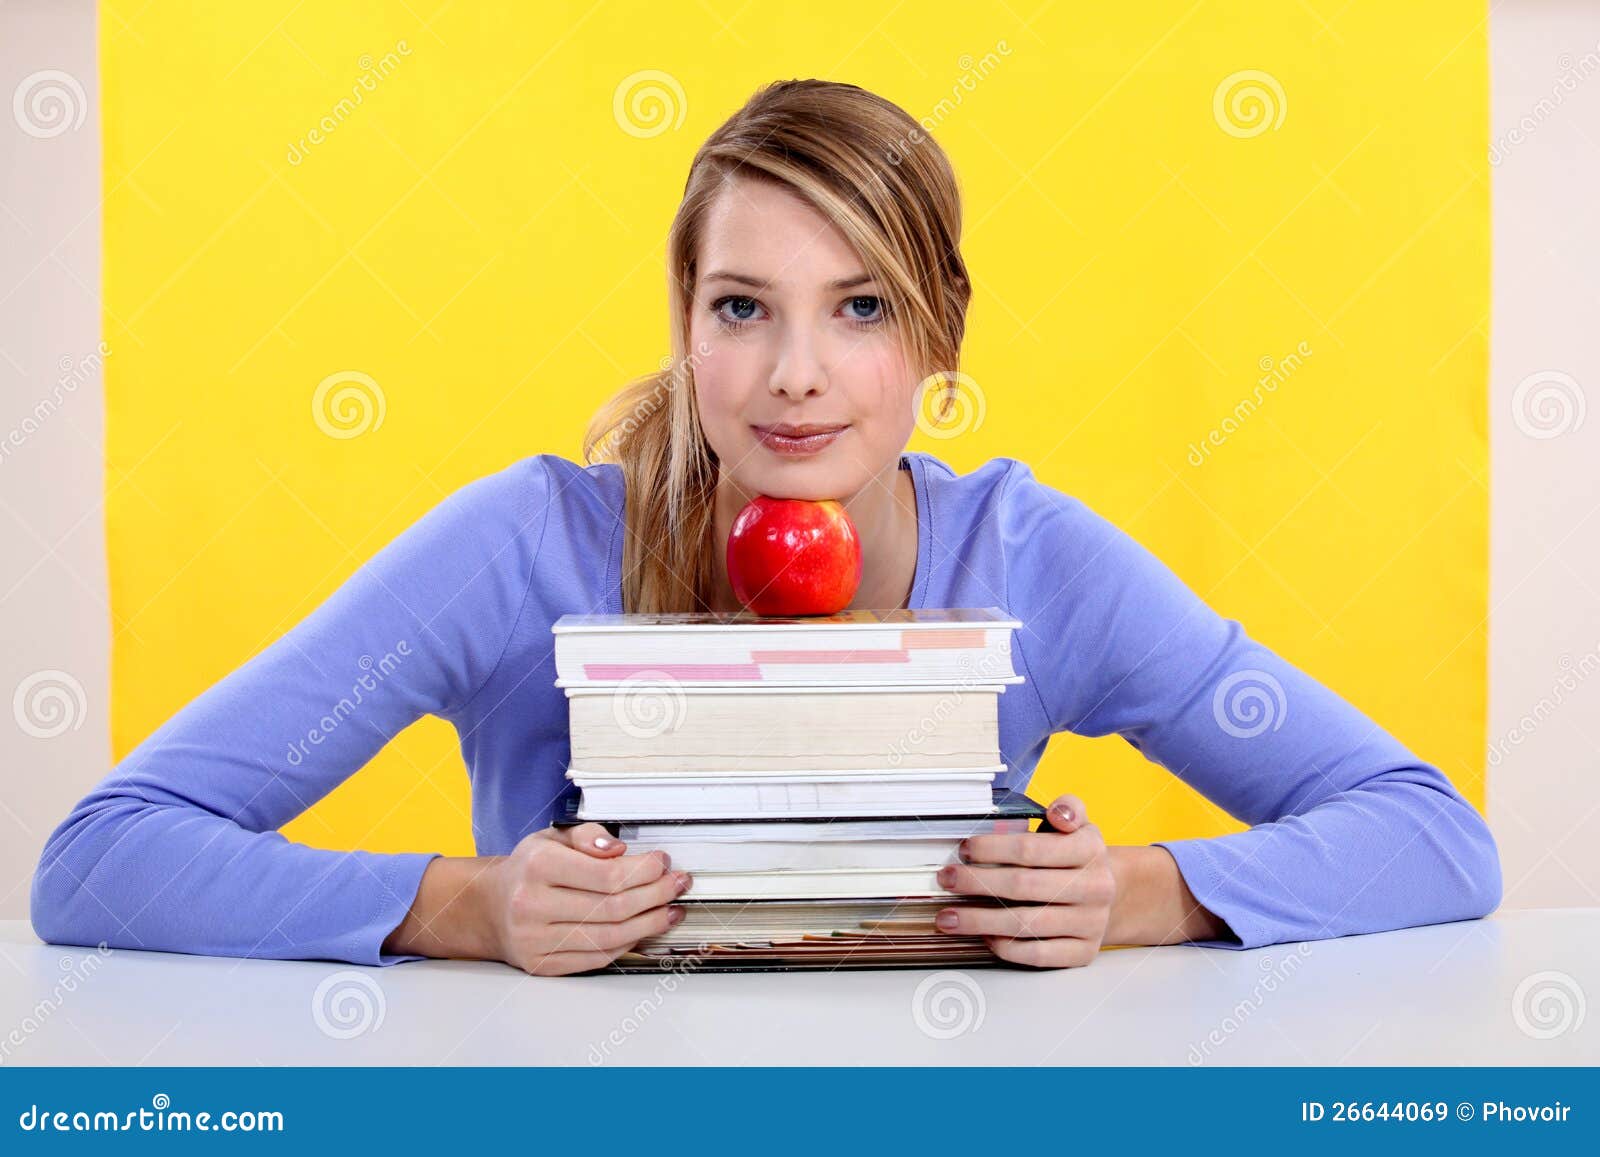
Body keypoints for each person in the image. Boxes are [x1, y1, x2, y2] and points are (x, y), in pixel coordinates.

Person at [30, 79, 1500, 976]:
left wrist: (1141, 892)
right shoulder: (520, 549)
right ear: (685, 326)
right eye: (743, 306)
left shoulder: (1038, 565)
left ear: (939, 341)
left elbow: (1436, 839)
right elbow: (102, 858)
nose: (796, 371)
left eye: (860, 308)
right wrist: (460, 907)